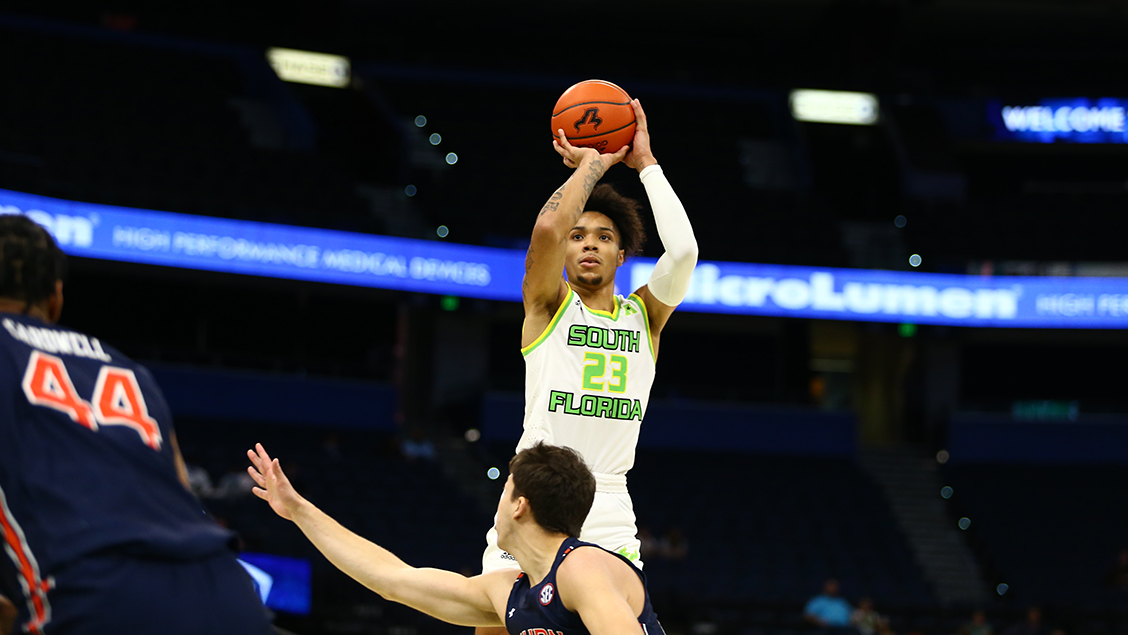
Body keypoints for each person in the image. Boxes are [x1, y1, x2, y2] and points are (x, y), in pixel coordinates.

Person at [0, 215, 272, 634]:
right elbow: (183, 494)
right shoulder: (131, 371)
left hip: (96, 600)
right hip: (228, 595)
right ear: (56, 298)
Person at [481, 98, 698, 589]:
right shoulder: (547, 306)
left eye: (603, 236)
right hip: (532, 493)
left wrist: (645, 164)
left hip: (608, 501)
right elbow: (546, 228)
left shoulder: (644, 316)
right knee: (494, 623)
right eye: (578, 236)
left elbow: (684, 252)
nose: (588, 243)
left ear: (621, 254)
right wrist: (593, 165)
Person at [247, 441, 667, 635]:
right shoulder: (510, 591)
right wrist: (299, 511)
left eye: (504, 491)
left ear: (519, 505)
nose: (497, 505)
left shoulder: (582, 567)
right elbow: (392, 579)